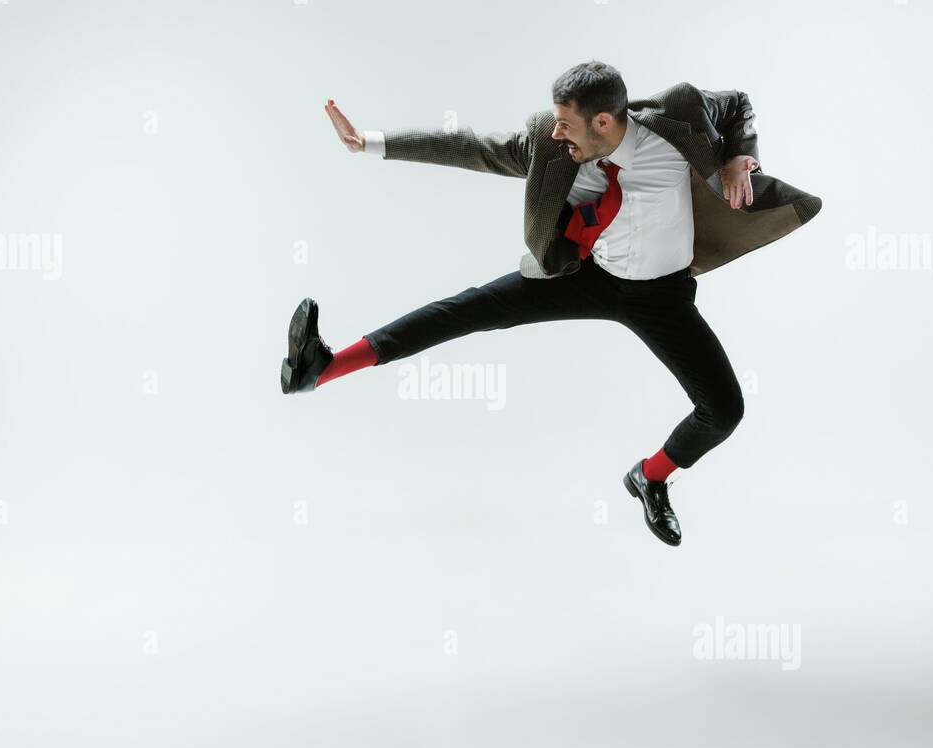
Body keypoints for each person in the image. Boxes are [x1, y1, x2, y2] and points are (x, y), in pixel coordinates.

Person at [282, 60, 821, 547]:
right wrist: (368, 141)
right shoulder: (553, 145)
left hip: (663, 296)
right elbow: (474, 146)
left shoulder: (677, 117)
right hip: (588, 276)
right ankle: (321, 369)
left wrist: (739, 158)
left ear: (606, 122)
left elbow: (736, 103)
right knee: (465, 310)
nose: (555, 130)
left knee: (724, 411)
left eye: (567, 122)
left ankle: (649, 477)